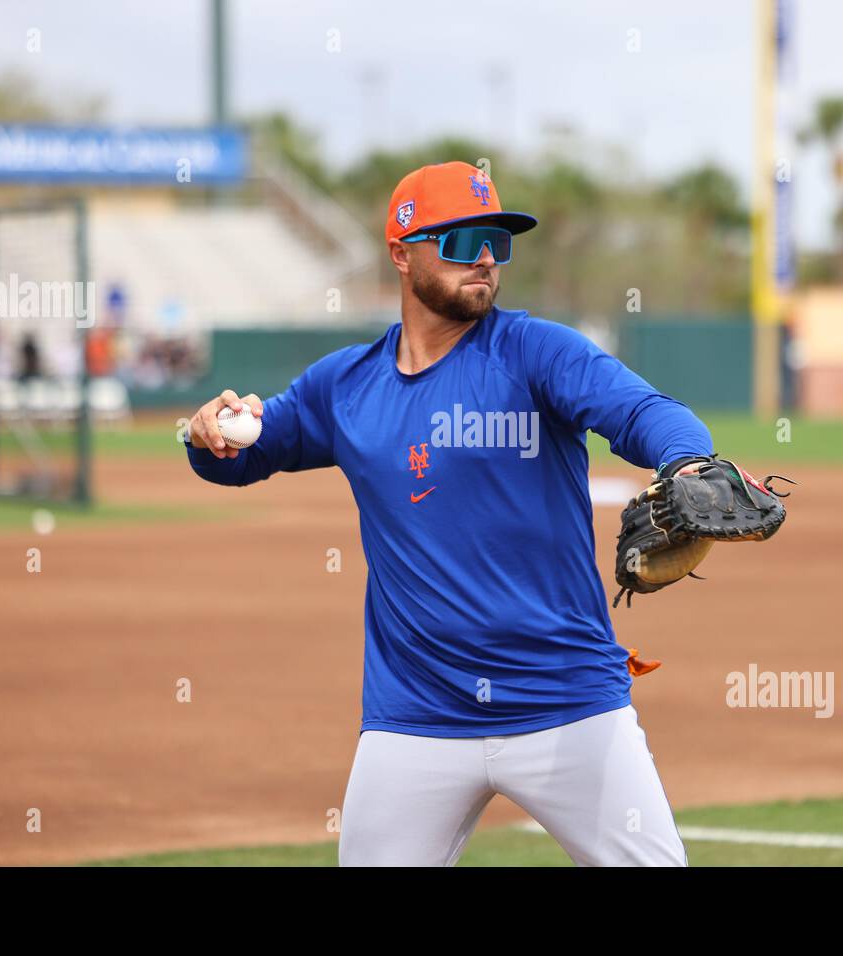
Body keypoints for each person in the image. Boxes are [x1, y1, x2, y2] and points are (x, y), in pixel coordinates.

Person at [183, 161, 713, 866]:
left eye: (497, 239)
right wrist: (201, 433)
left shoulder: (536, 353)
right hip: (416, 718)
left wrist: (685, 463)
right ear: (402, 254)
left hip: (567, 704)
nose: (486, 257)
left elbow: (649, 413)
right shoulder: (343, 386)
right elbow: (242, 453)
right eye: (462, 242)